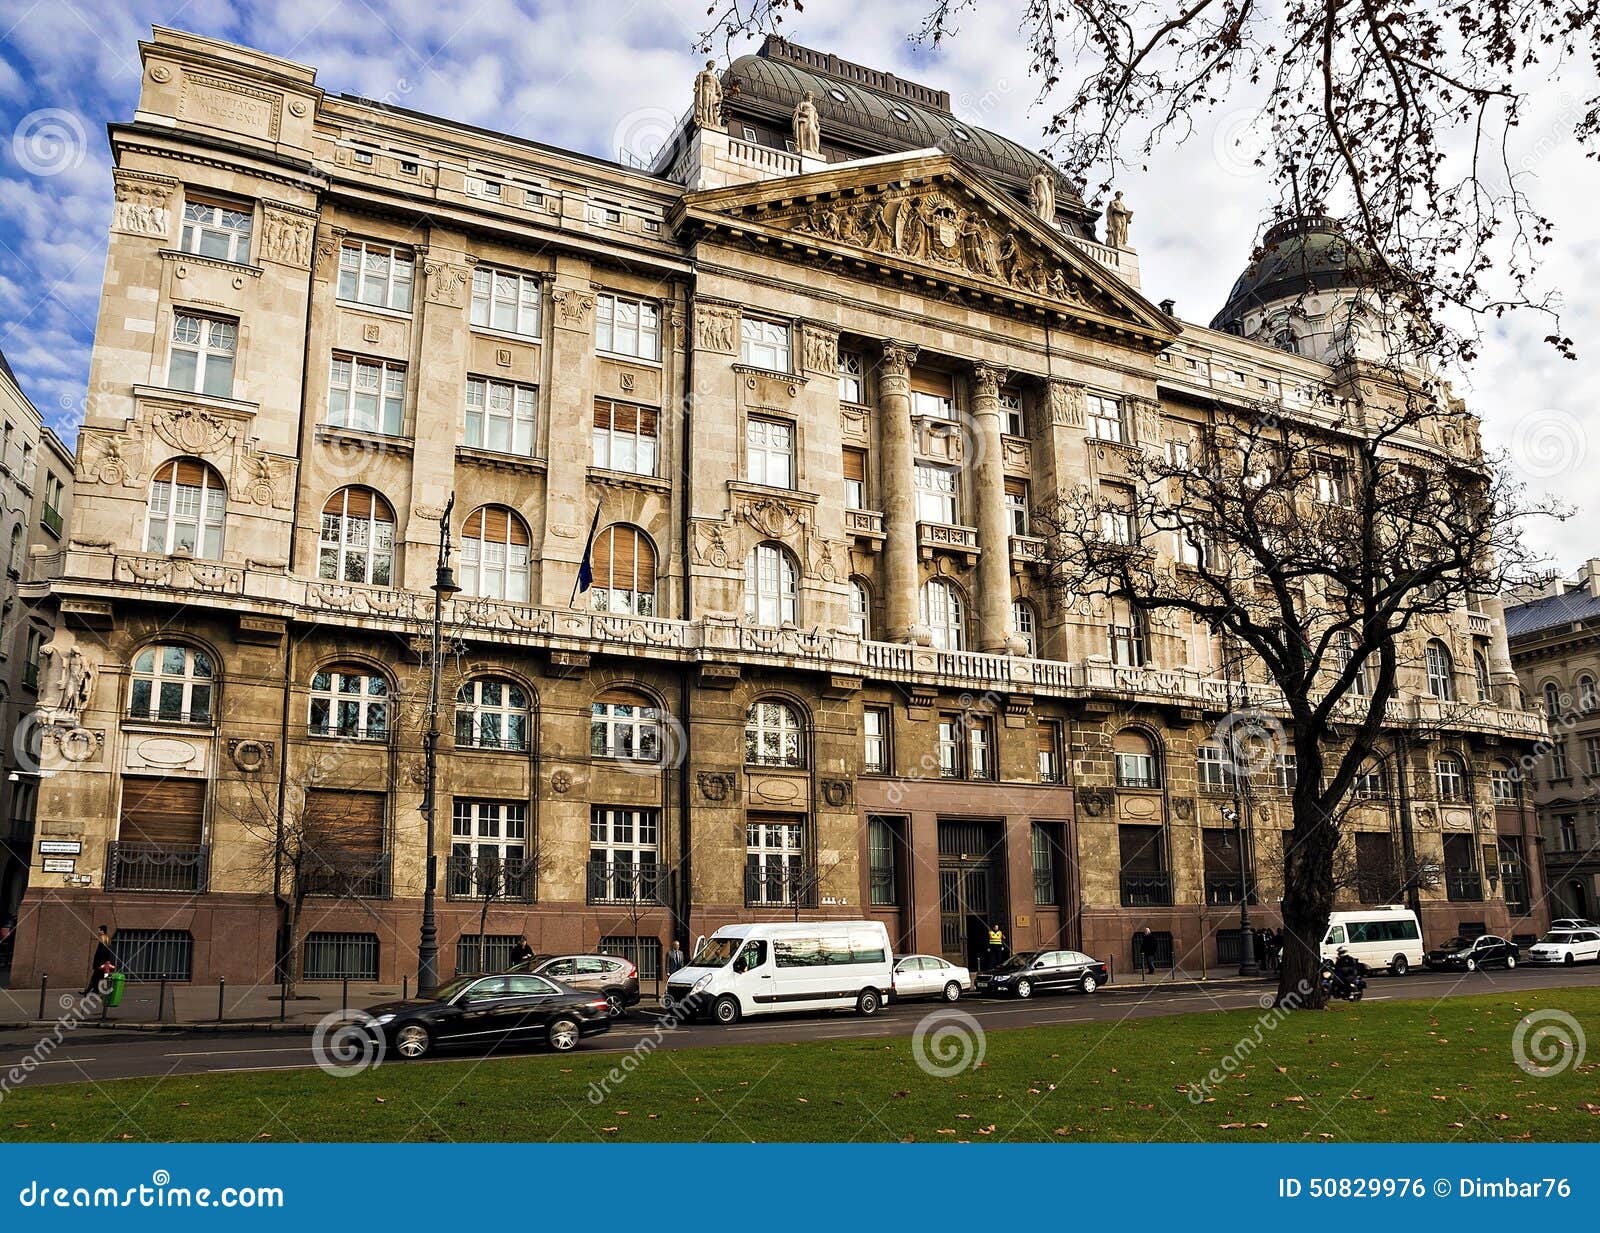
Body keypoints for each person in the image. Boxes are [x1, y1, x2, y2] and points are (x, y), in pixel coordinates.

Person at [83, 924, 116, 996]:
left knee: (96, 978)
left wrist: (100, 964)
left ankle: (89, 992)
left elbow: (103, 952)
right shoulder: (105, 938)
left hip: (101, 963)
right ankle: (95, 990)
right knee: (98, 978)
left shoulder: (104, 938)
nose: (98, 931)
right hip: (102, 963)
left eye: (99, 930)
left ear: (102, 931)